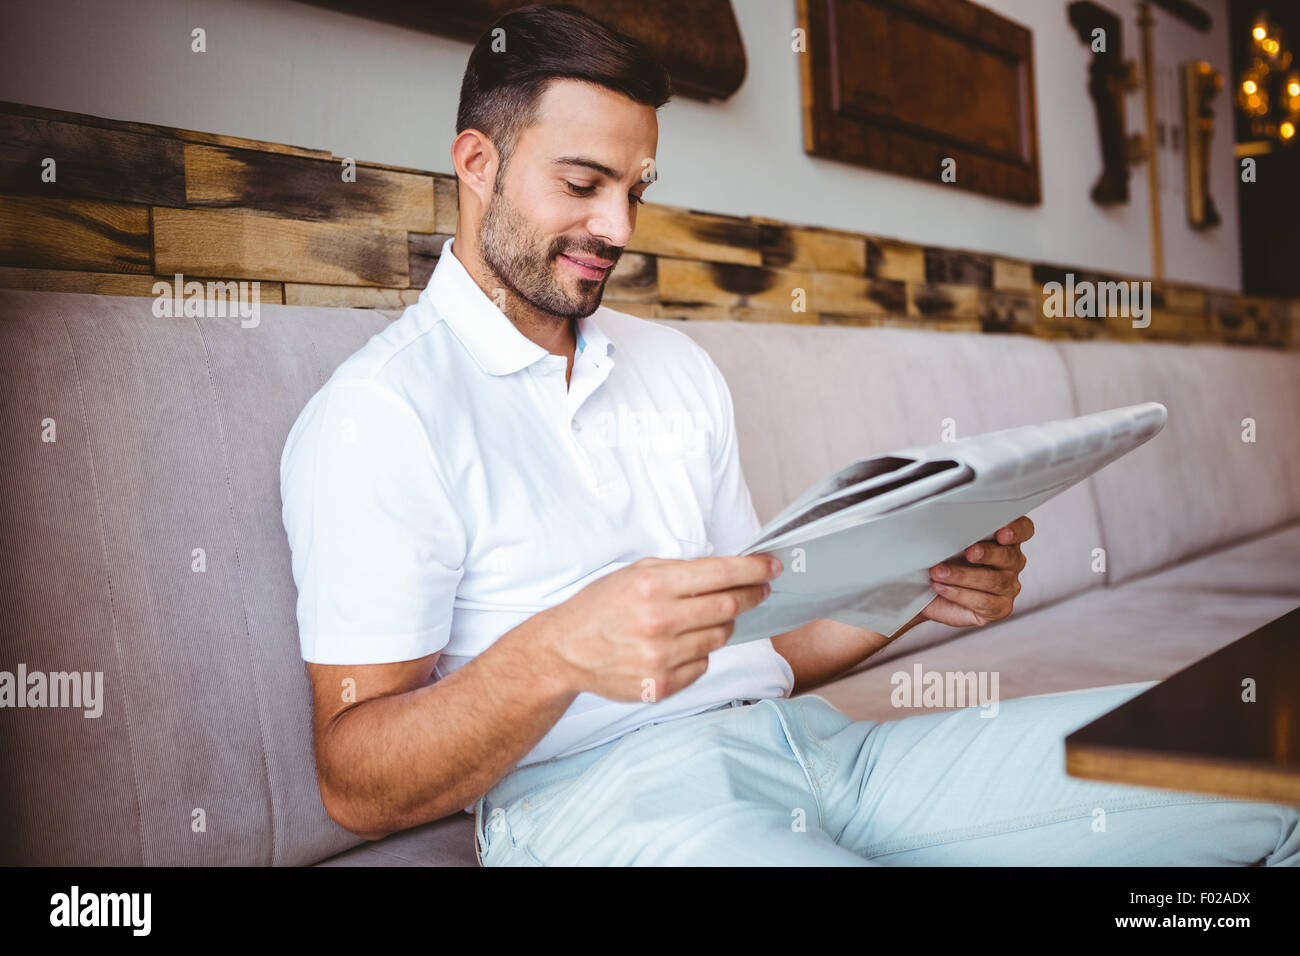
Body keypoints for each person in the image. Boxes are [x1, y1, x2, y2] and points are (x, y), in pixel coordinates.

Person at [279, 3, 1298, 866]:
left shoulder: (675, 368)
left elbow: (762, 645)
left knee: (1263, 761)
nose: (620, 229)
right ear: (477, 163)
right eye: (583, 183)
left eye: (637, 192)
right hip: (598, 801)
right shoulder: (383, 414)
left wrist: (917, 585)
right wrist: (553, 654)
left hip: (813, 747)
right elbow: (355, 778)